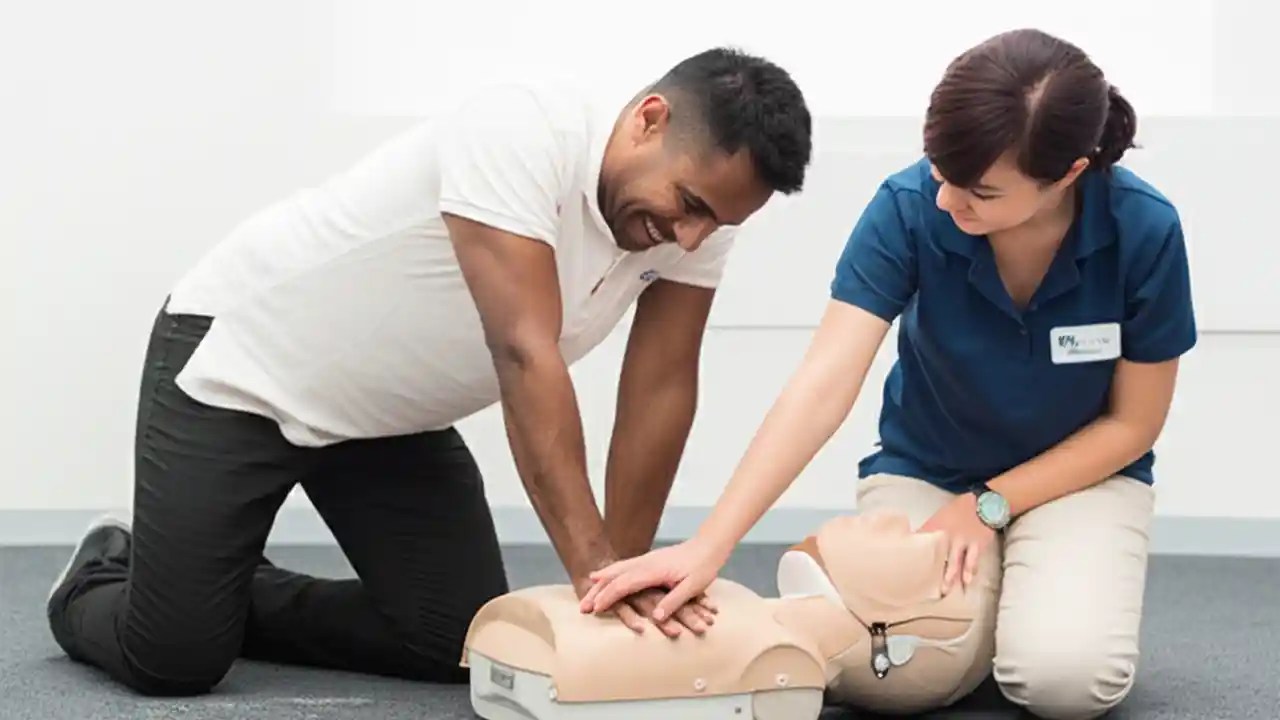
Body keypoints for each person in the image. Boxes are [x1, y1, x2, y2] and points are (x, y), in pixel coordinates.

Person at [44, 47, 813, 696]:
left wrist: (629, 576)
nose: (688, 235)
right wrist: (594, 573)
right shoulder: (523, 130)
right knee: (173, 658)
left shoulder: (695, 228)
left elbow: (659, 387)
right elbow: (524, 352)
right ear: (649, 120)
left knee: (458, 640)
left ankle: (198, 584)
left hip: (383, 417)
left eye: (714, 221)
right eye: (688, 204)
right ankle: (111, 567)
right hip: (244, 368)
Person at [583, 28, 1196, 720]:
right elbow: (823, 385)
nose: (945, 201)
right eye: (939, 171)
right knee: (890, 683)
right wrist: (709, 544)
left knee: (1063, 683)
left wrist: (992, 505)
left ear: (1069, 175)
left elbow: (1134, 423)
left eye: (980, 192)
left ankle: (1001, 611)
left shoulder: (1144, 230)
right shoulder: (907, 206)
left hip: (1079, 480)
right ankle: (974, 609)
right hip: (929, 473)